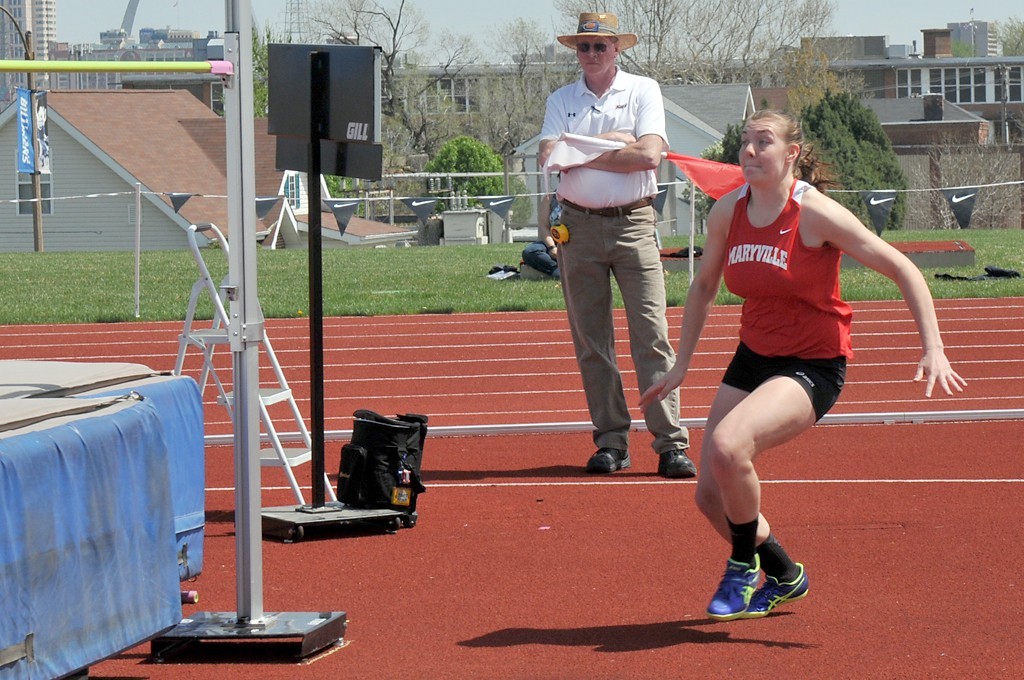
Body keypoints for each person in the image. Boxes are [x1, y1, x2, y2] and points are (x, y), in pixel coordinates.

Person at [640, 109, 967, 620]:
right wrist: (682, 364)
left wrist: (934, 346)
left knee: (729, 446)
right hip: (754, 357)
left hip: (812, 364)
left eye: (763, 142)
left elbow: (903, 268)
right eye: (744, 141)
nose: (749, 151)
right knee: (709, 495)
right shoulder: (728, 211)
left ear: (791, 153)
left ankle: (742, 567)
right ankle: (785, 575)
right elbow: (703, 287)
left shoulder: (815, 213)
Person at [537, 12, 694, 479]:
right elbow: (549, 157)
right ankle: (611, 441)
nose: (591, 54)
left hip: (634, 224)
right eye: (584, 47)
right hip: (577, 228)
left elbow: (648, 155)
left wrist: (578, 150)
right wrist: (611, 142)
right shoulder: (561, 99)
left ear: (617, 49)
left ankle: (670, 444)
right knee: (592, 341)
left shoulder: (643, 90)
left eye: (600, 46)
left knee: (652, 335)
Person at [520, 194, 561, 280]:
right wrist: (552, 247)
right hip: (553, 242)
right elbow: (544, 226)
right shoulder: (549, 198)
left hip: (575, 244)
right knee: (529, 252)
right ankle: (557, 271)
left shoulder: (582, 198)